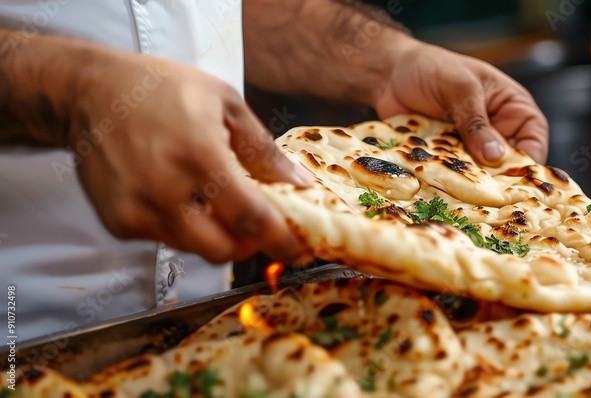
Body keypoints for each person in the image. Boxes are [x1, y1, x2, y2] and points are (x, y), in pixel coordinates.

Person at [0, 0, 549, 343]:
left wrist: (383, 58)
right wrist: (78, 92)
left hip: (210, 330)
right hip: (23, 332)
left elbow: (218, 11)